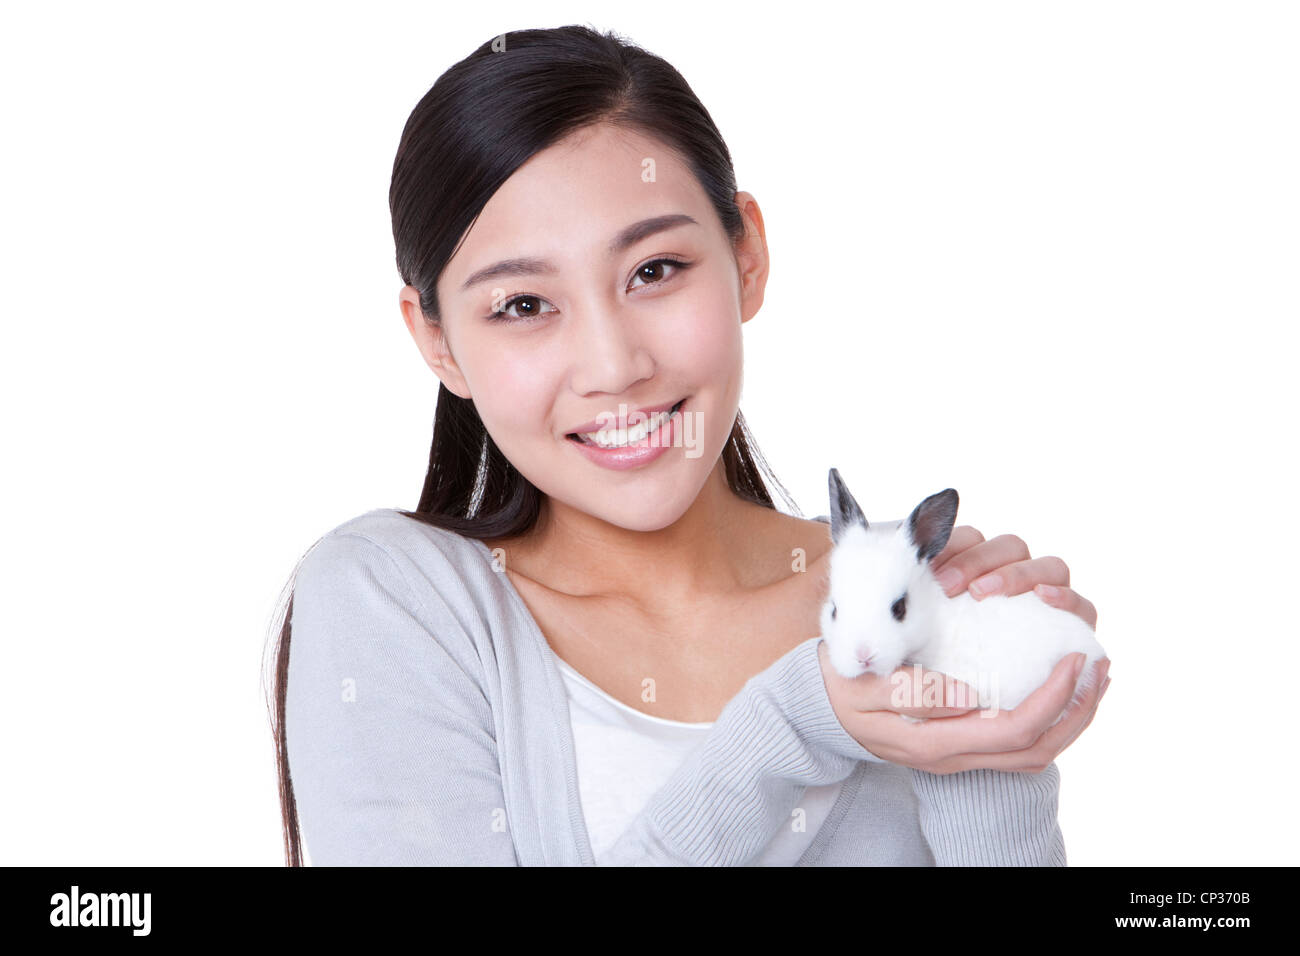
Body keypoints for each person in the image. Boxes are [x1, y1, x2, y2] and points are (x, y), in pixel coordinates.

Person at [266, 24, 1109, 866]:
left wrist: (996, 725)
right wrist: (802, 715)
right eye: (523, 305)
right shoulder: (391, 601)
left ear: (747, 254)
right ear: (438, 341)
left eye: (654, 270)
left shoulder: (899, 603)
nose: (613, 365)